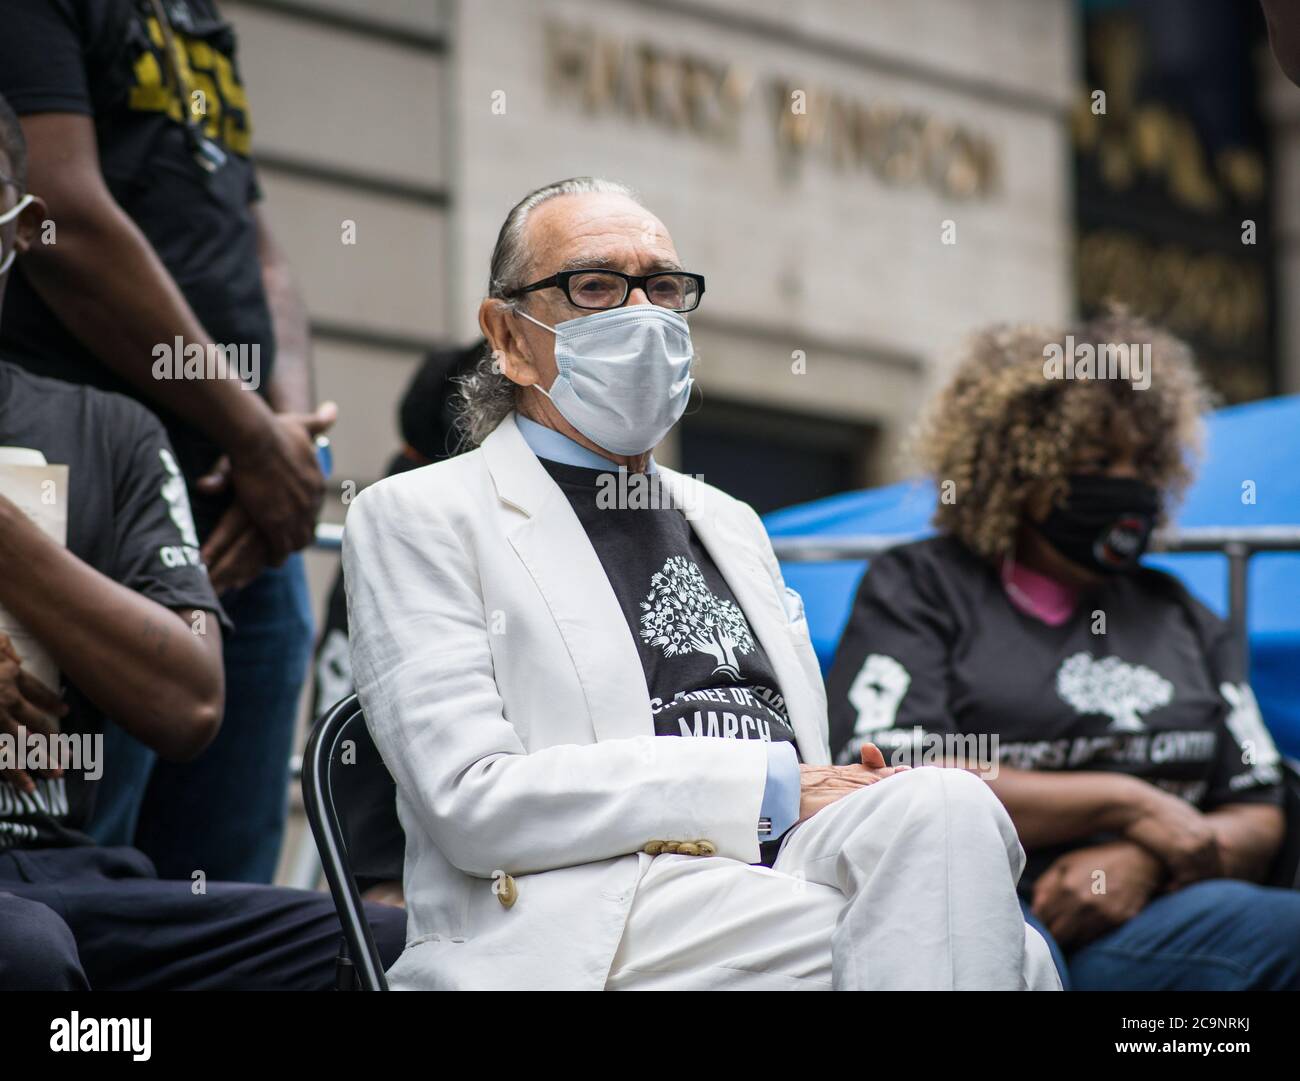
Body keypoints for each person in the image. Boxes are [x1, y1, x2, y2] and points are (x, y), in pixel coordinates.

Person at [342, 176, 1061, 991]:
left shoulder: (731, 520)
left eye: (664, 286)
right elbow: (472, 802)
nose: (641, 313)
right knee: (1006, 954)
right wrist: (771, 784)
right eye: (596, 285)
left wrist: (837, 791)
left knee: (946, 802)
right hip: (581, 907)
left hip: (768, 876)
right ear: (509, 334)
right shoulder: (421, 514)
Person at [0, 100, 404, 989]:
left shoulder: (111, 430)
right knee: (29, 958)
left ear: (23, 226)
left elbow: (189, 702)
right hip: (28, 935)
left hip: (77, 881)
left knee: (389, 949)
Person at [826, 312, 1299, 990]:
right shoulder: (921, 586)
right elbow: (897, 771)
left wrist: (1146, 857)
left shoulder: (1179, 612)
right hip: (995, 902)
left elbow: (1258, 806)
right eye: (1098, 461)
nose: (1128, 483)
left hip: (1164, 909)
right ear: (1018, 466)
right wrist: (1123, 802)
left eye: (1143, 462)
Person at [0, 0, 334, 883]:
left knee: (223, 893)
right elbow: (56, 215)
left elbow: (261, 251)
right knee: (73, 874)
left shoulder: (196, 19)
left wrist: (288, 440)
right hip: (92, 494)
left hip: (243, 506)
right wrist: (256, 437)